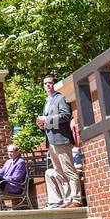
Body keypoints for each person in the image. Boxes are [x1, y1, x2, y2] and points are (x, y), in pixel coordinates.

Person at [38, 75, 82, 207]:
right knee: (59, 172)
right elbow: (50, 122)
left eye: (50, 83)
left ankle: (77, 199)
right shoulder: (47, 101)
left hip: (61, 140)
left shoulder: (60, 98)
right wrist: (42, 125)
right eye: (45, 83)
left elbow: (65, 116)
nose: (48, 85)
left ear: (54, 84)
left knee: (68, 170)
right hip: (51, 142)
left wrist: (46, 119)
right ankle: (67, 199)